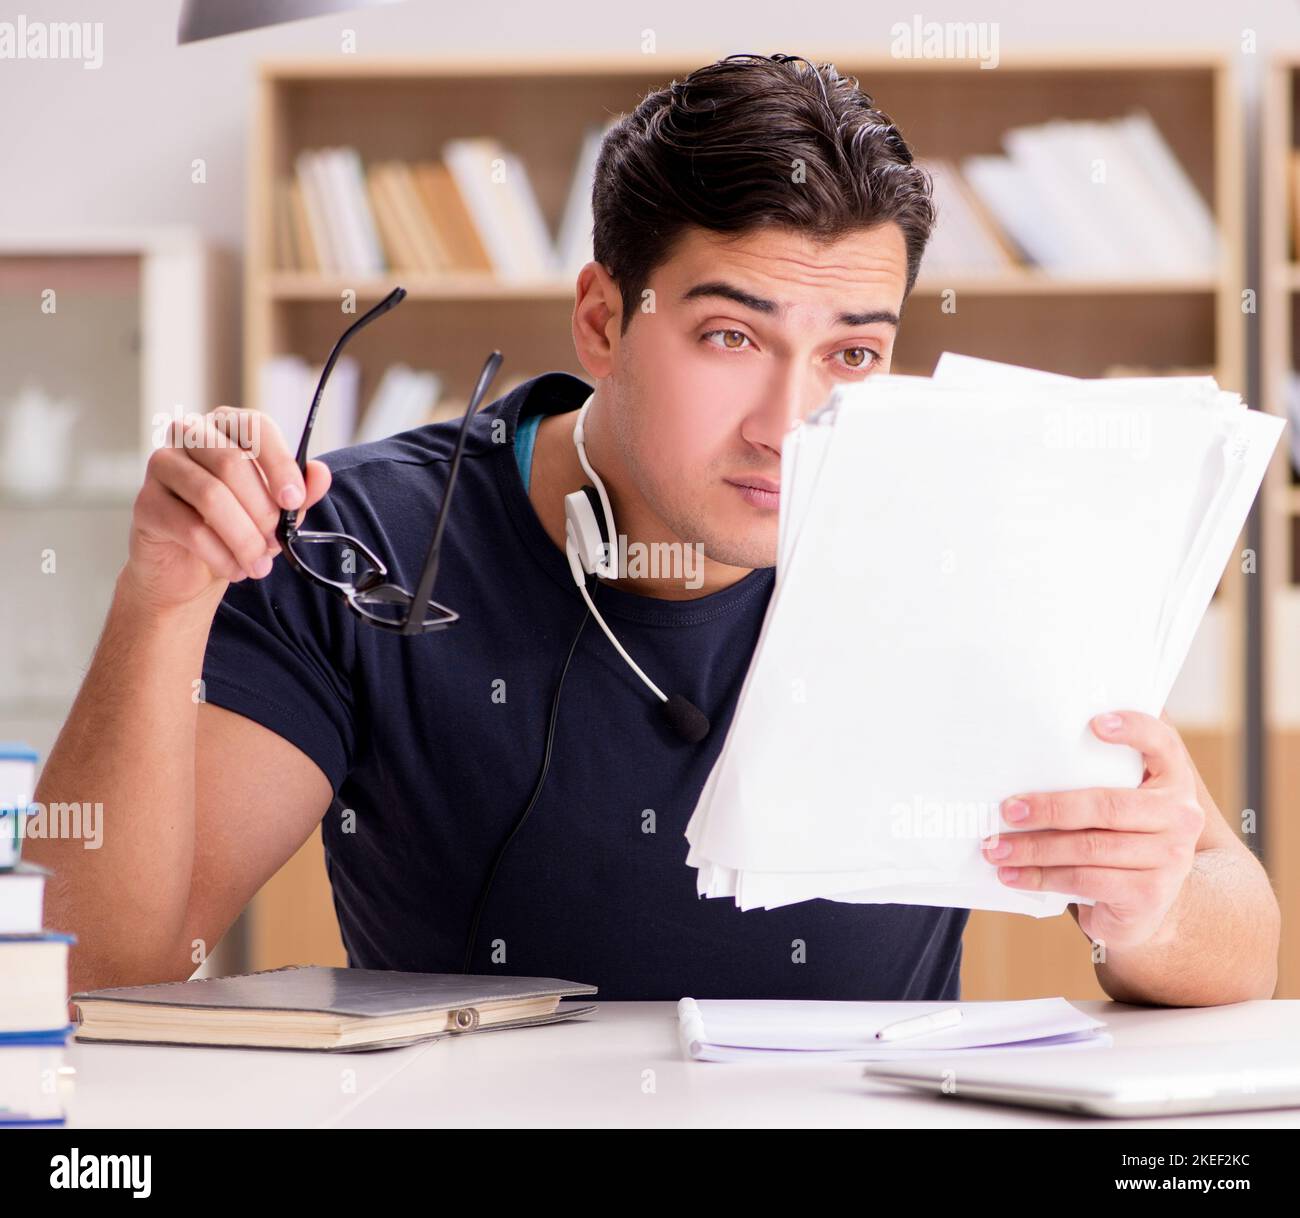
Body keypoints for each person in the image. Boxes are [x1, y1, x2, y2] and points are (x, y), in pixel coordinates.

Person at [31, 53, 1278, 1005]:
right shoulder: (363, 538)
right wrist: (161, 594)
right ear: (600, 321)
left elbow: (1238, 933)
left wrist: (1152, 905)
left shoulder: (964, 534)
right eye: (731, 337)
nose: (790, 424)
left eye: (852, 353)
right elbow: (106, 975)